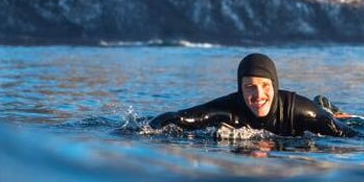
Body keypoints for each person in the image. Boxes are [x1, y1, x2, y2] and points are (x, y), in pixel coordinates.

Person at [147, 53, 349, 137]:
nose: (258, 95)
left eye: (265, 86)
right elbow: (179, 117)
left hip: (316, 116)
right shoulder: (229, 108)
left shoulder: (298, 110)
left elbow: (351, 137)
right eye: (250, 87)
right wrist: (143, 131)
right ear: (240, 89)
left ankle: (325, 105)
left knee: (327, 117)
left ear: (275, 86)